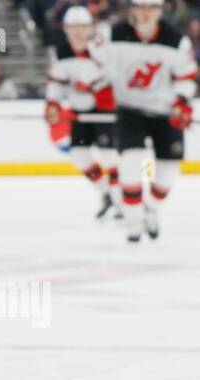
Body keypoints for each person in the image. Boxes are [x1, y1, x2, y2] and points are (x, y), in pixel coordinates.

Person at [91, 0, 195, 242]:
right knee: (132, 163)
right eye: (141, 7)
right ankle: (134, 221)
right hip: (130, 110)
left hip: (164, 112)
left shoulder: (177, 41)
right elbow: (95, 65)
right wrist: (96, 86)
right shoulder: (112, 35)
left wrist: (181, 101)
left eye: (151, 8)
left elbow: (187, 77)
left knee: (166, 175)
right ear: (132, 10)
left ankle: (151, 207)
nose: (146, 13)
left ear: (160, 11)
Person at [45, 6, 121, 220]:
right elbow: (57, 83)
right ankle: (105, 191)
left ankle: (120, 199)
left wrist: (92, 86)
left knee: (110, 155)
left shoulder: (101, 47)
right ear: (66, 29)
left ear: (91, 27)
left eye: (82, 26)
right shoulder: (60, 51)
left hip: (105, 109)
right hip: (80, 111)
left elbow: (115, 73)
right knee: (79, 154)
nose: (77, 31)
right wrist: (52, 105)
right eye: (73, 27)